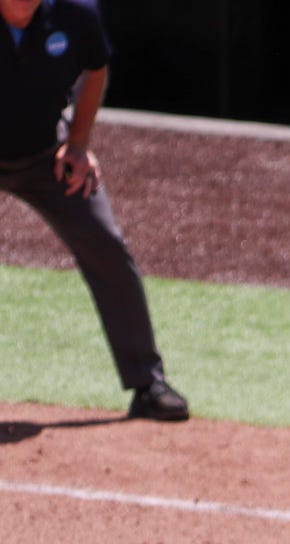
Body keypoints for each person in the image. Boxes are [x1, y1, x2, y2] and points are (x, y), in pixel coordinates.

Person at [0, 0, 187, 421]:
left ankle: (148, 382)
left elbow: (95, 69)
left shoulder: (76, 13)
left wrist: (79, 143)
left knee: (106, 244)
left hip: (47, 156)